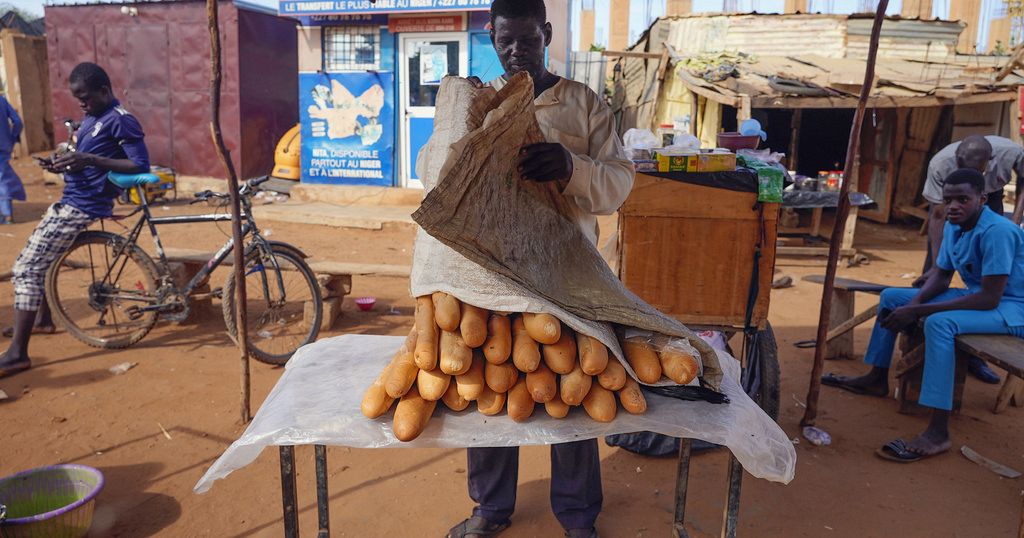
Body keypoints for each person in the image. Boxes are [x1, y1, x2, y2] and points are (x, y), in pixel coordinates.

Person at [440, 1, 634, 537]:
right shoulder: (484, 102)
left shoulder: (582, 103)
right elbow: (441, 169)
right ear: (491, 36)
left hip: (570, 271)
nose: (516, 50)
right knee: (494, 387)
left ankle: (577, 516)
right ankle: (490, 509)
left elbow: (618, 183)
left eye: (528, 39)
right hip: (497, 269)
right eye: (506, 40)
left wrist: (573, 166)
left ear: (546, 33)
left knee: (574, 386)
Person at [823, 168, 1024, 462]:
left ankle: (938, 432)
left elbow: (989, 298)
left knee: (939, 323)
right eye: (948, 199)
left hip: (1012, 307)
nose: (954, 206)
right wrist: (910, 305)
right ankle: (876, 377)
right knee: (892, 297)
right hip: (984, 297)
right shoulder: (955, 223)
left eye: (963, 199)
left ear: (982, 199)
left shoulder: (998, 231)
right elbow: (942, 276)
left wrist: (917, 310)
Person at [0, 62, 149, 378]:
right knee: (41, 260)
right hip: (73, 199)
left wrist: (88, 158)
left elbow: (138, 163)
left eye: (86, 97)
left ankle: (17, 355)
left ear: (104, 91)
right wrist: (64, 164)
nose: (81, 103)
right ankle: (41, 320)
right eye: (77, 98)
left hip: (83, 205)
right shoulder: (94, 118)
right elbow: (86, 161)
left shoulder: (120, 120)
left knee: (26, 268)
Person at [918, 135, 1024, 384]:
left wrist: (1014, 224)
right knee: (933, 277)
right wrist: (936, 265)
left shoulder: (1011, 153)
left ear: (988, 164)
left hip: (989, 202)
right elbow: (938, 215)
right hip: (957, 207)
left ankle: (974, 358)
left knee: (989, 265)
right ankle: (926, 346)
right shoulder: (940, 165)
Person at [0, 93, 24, 224]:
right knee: (2, 177)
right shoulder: (2, 100)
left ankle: (6, 214)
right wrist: (12, 138)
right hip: (4, 145)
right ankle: (6, 213)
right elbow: (18, 122)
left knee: (2, 179)